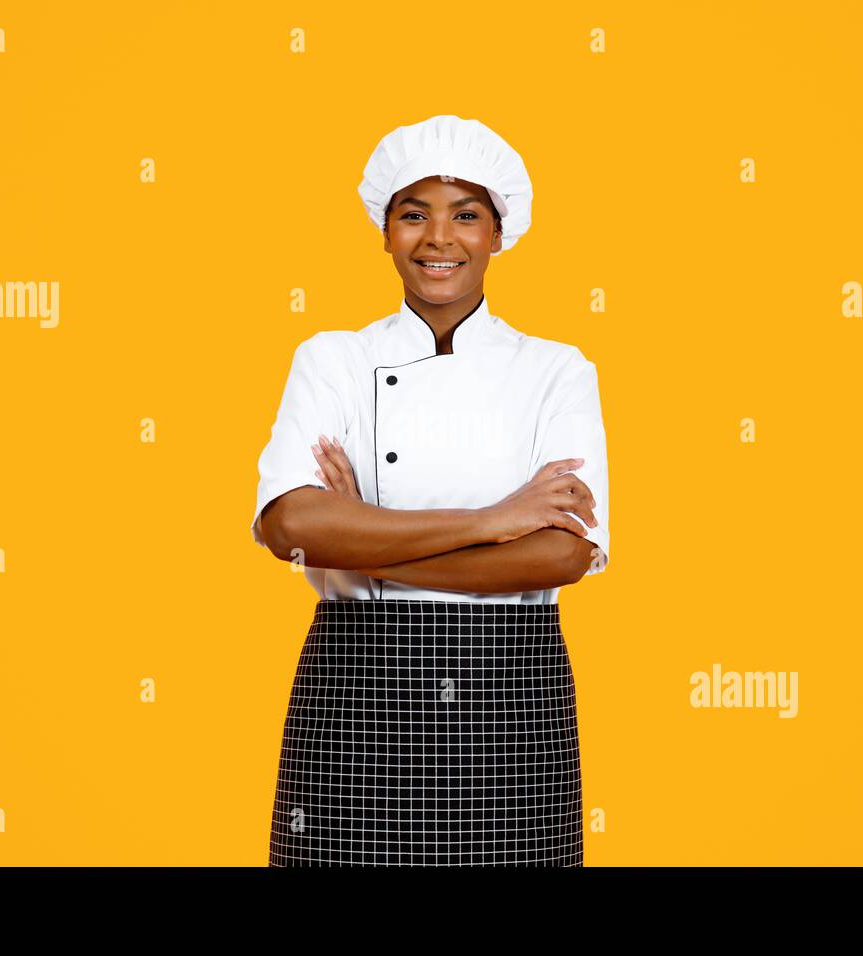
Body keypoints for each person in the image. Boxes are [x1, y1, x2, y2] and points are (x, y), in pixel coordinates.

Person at [252, 114, 610, 866]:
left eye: (466, 216)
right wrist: (498, 518)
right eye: (414, 214)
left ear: (499, 234)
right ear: (385, 231)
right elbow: (289, 524)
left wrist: (362, 544)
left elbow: (558, 557)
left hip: (511, 698)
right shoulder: (332, 359)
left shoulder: (557, 371)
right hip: (357, 694)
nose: (439, 240)